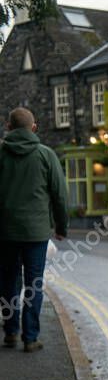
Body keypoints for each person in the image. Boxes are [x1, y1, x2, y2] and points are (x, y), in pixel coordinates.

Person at [0, 107, 67, 352]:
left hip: (5, 232)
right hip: (37, 233)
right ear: (34, 128)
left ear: (8, 128)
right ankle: (30, 337)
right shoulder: (46, 155)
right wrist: (61, 226)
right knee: (34, 283)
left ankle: (10, 332)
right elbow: (60, 195)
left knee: (8, 280)